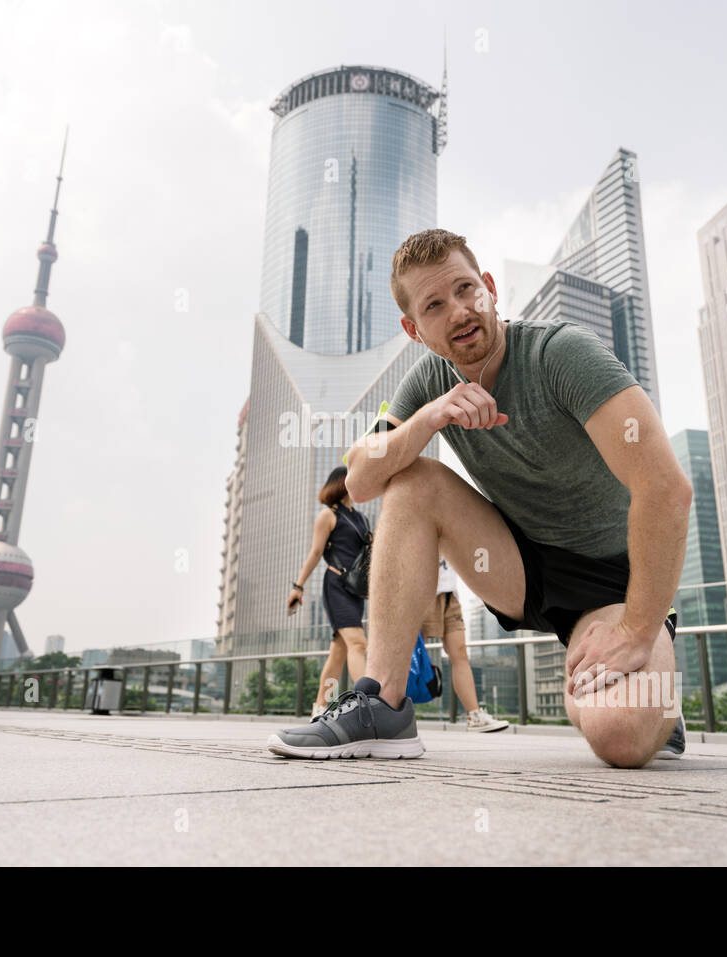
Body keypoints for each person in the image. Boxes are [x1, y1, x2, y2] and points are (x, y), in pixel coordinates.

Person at [268, 229, 691, 766]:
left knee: (620, 738)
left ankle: (656, 710)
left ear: (490, 288)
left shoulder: (561, 355)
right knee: (412, 478)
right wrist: (429, 416)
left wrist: (635, 630)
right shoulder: (429, 380)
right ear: (414, 329)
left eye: (467, 289)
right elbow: (359, 481)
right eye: (435, 306)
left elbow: (666, 488)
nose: (460, 311)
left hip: (615, 582)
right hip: (518, 565)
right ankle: (384, 704)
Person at [286, 466, 371, 716]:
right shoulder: (328, 516)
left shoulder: (362, 518)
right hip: (335, 587)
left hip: (355, 590)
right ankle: (368, 702)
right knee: (358, 643)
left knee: (338, 652)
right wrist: (298, 587)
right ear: (343, 483)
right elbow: (315, 553)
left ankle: (320, 707)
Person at [424, 557, 508, 732]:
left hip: (450, 594)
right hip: (422, 591)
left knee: (460, 652)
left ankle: (474, 715)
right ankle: (391, 709)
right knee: (411, 652)